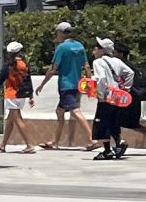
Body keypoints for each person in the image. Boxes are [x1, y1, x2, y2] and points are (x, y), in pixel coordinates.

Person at [88, 36, 136, 160]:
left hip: (107, 96)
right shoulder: (117, 61)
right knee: (114, 122)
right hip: (117, 96)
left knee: (102, 123)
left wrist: (101, 94)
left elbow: (101, 78)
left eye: (97, 47)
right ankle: (119, 142)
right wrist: (126, 88)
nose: (95, 50)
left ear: (102, 50)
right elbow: (130, 73)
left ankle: (107, 150)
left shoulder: (98, 62)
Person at [50, 22, 88, 150]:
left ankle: (92, 139)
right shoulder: (79, 46)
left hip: (66, 85)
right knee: (60, 111)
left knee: (75, 111)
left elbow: (53, 69)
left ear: (61, 33)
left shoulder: (61, 48)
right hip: (77, 84)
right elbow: (87, 66)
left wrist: (42, 84)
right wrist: (90, 82)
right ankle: (55, 142)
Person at [0, 40, 36, 153]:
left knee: (17, 119)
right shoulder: (24, 64)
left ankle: (29, 145)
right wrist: (31, 95)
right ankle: (3, 144)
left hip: (12, 94)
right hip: (21, 94)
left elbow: (0, 80)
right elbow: (28, 80)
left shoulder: (9, 65)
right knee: (11, 119)